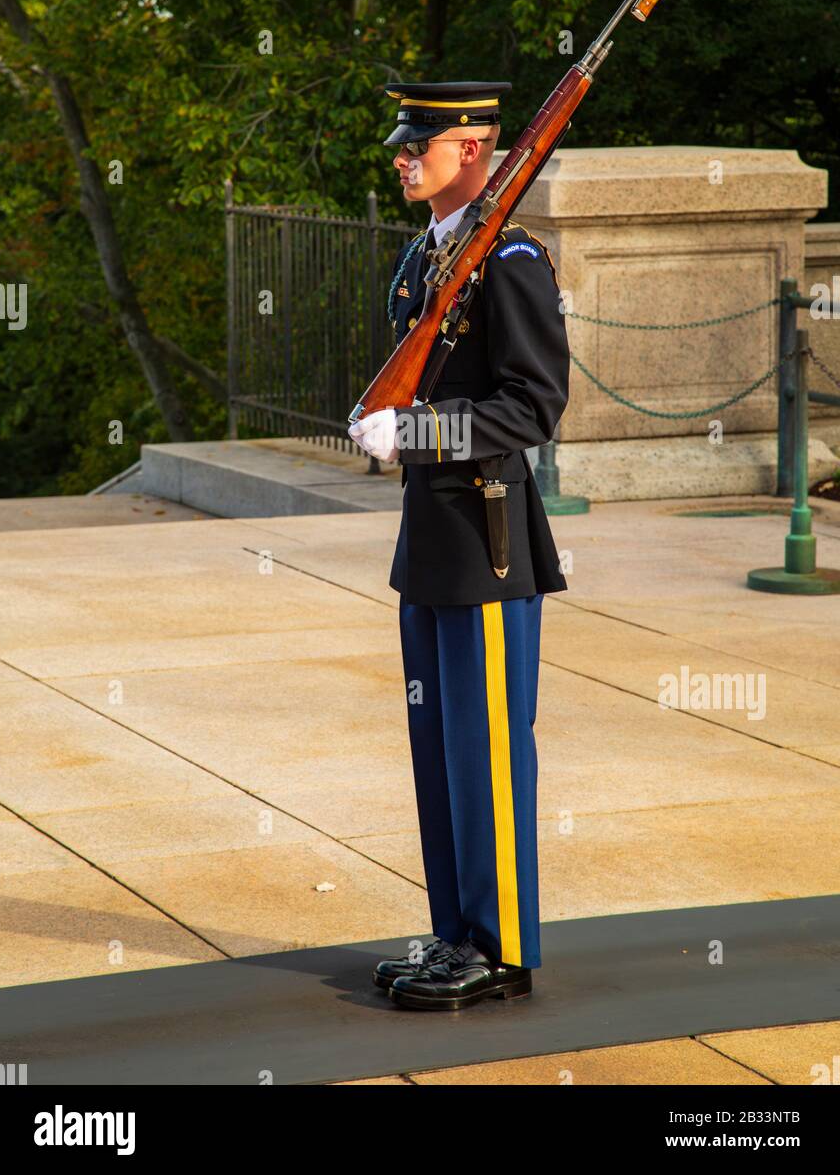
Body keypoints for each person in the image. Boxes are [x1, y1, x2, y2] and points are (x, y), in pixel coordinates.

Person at [348, 82, 570, 1011]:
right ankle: (455, 933)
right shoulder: (422, 259)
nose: (402, 157)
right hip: (431, 542)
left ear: (472, 152)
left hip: (487, 542)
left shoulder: (510, 260)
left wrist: (421, 433)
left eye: (420, 145)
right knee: (438, 746)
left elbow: (533, 405)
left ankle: (501, 942)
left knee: (488, 749)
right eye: (404, 144)